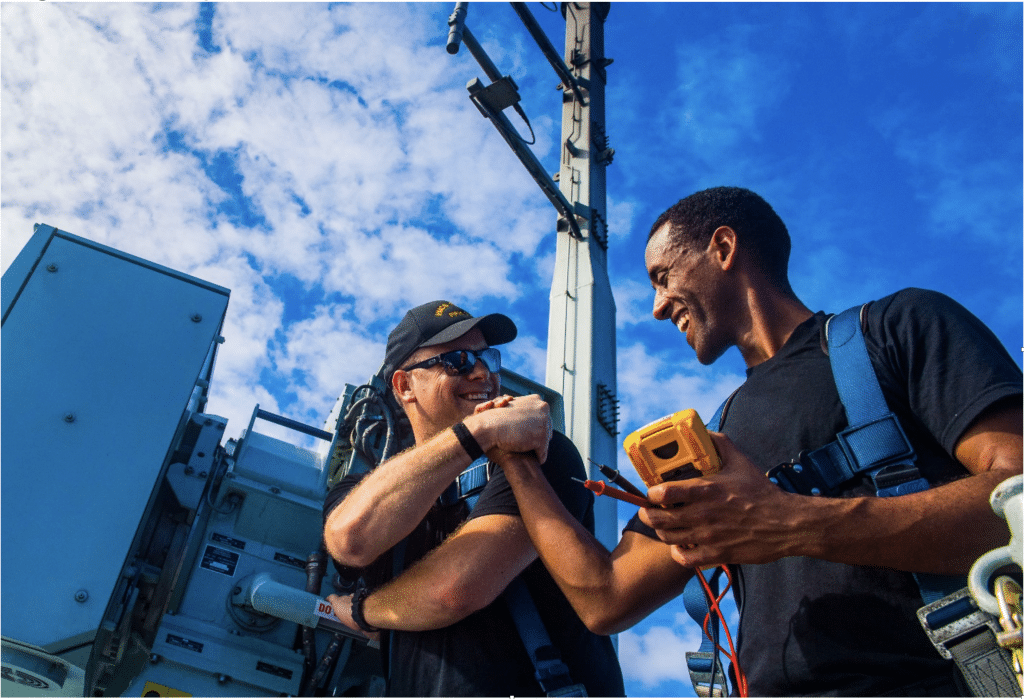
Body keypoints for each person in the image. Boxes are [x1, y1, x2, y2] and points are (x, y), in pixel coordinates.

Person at [494, 187, 1022, 696]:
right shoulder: (712, 440)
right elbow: (606, 598)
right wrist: (517, 463)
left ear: (723, 248)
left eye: (663, 277)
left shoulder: (897, 327)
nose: (656, 307)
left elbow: (1017, 497)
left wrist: (791, 523)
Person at [321, 300, 624, 697]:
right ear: (404, 386)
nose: (483, 373)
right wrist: (476, 433)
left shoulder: (536, 455)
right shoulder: (362, 491)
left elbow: (456, 589)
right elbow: (351, 540)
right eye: (458, 360)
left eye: (488, 358)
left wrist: (363, 611)